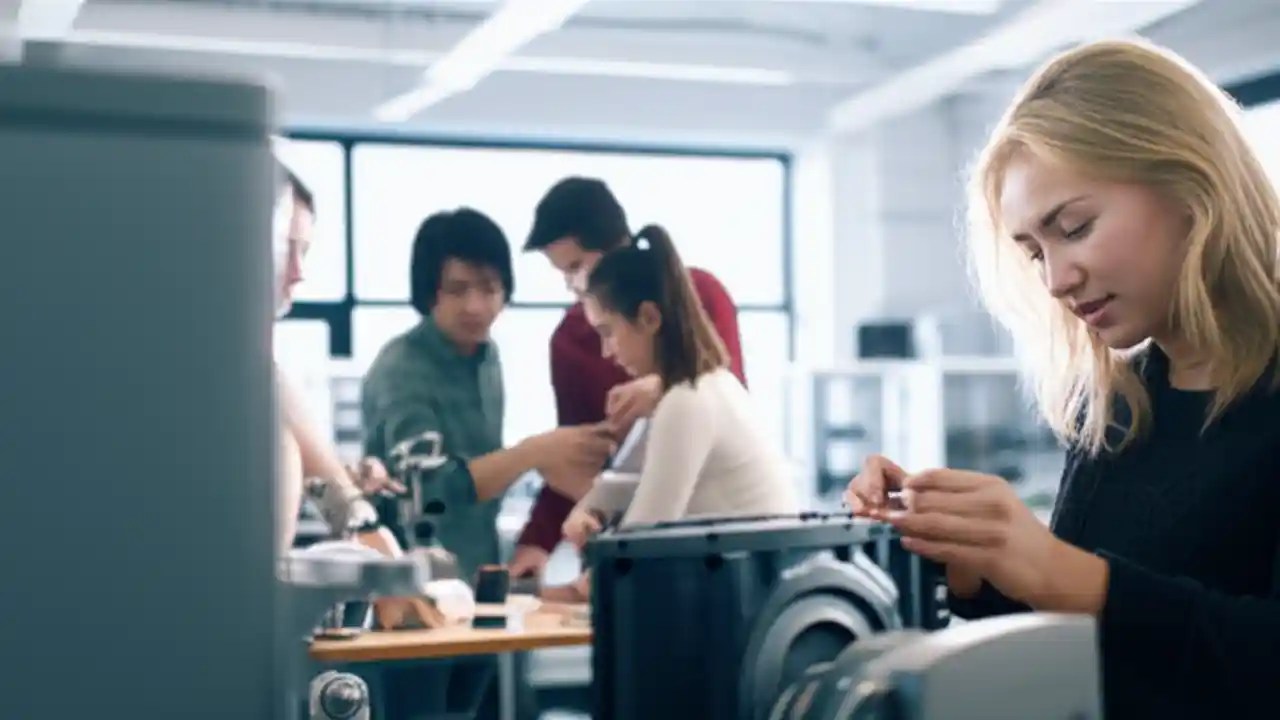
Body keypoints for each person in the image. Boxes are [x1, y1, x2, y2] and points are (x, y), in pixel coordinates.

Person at [844, 39, 1279, 719]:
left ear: (1191, 182)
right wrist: (963, 553)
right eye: (1033, 251)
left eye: (1073, 228)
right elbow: (1088, 618)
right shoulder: (1118, 404)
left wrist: (1060, 570)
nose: (1054, 280)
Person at [360, 207, 616, 583]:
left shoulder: (486, 357)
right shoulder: (402, 368)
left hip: (479, 570)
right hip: (411, 584)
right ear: (428, 291)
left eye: (490, 288)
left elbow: (486, 477)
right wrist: (532, 452)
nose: (475, 306)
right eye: (458, 289)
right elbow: (433, 492)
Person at [511, 176, 748, 577]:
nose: (573, 286)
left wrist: (664, 386)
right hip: (623, 535)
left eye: (576, 267)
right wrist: (538, 541)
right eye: (563, 274)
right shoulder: (570, 340)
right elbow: (583, 454)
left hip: (709, 537)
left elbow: (724, 392)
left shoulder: (701, 296)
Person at [556, 225, 800, 598]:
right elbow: (646, 485)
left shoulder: (686, 402)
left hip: (741, 609)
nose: (606, 351)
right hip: (759, 601)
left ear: (649, 318)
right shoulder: (713, 385)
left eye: (608, 331)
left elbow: (640, 545)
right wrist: (592, 507)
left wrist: (570, 592)